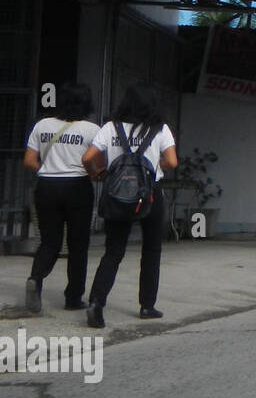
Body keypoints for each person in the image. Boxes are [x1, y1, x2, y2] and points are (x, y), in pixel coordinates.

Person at [82, 84, 179, 328]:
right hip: (150, 193)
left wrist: (96, 173)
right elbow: (172, 161)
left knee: (113, 251)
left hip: (117, 193)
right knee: (151, 251)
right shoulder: (160, 129)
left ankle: (96, 302)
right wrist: (154, 170)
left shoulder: (110, 127)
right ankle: (147, 306)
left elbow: (87, 158)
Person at [23, 83, 100, 314]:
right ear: (87, 104)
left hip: (46, 187)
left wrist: (49, 172)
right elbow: (97, 163)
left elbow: (29, 161)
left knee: (49, 242)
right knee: (78, 246)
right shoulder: (92, 129)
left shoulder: (42, 125)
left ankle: (35, 279)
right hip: (77, 188)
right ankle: (73, 298)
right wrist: (95, 174)